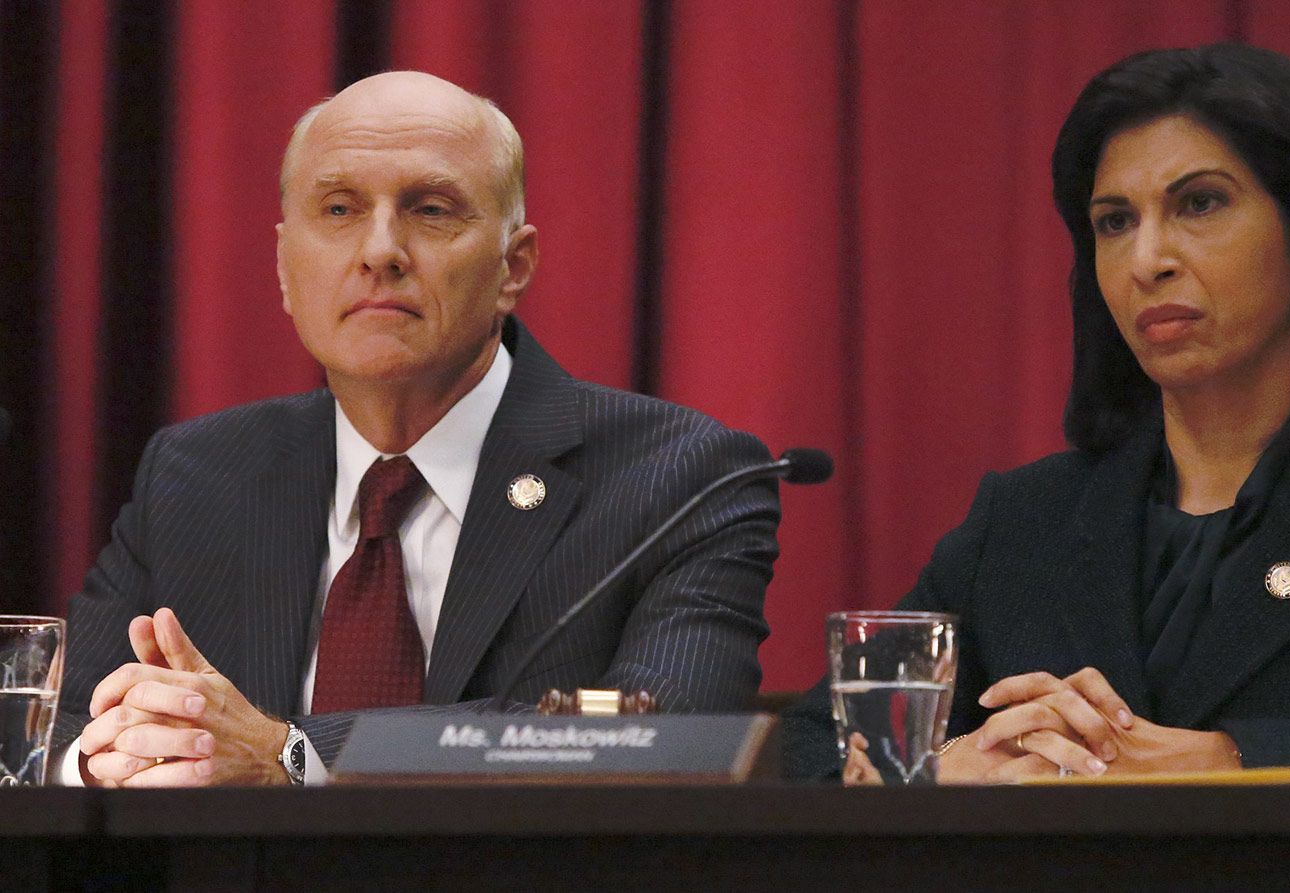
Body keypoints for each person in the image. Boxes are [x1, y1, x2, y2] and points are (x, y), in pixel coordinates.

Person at [784, 43, 1290, 781]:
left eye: (1200, 204)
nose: (1148, 260)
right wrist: (936, 771)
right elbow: (796, 746)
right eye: (1114, 222)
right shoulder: (1023, 521)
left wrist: (1239, 760)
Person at [56, 71, 781, 786]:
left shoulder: (681, 478)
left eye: (430, 210)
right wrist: (119, 754)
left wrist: (290, 753)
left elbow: (658, 734)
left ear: (513, 266)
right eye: (338, 210)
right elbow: (58, 732)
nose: (379, 251)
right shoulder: (195, 474)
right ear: (284, 266)